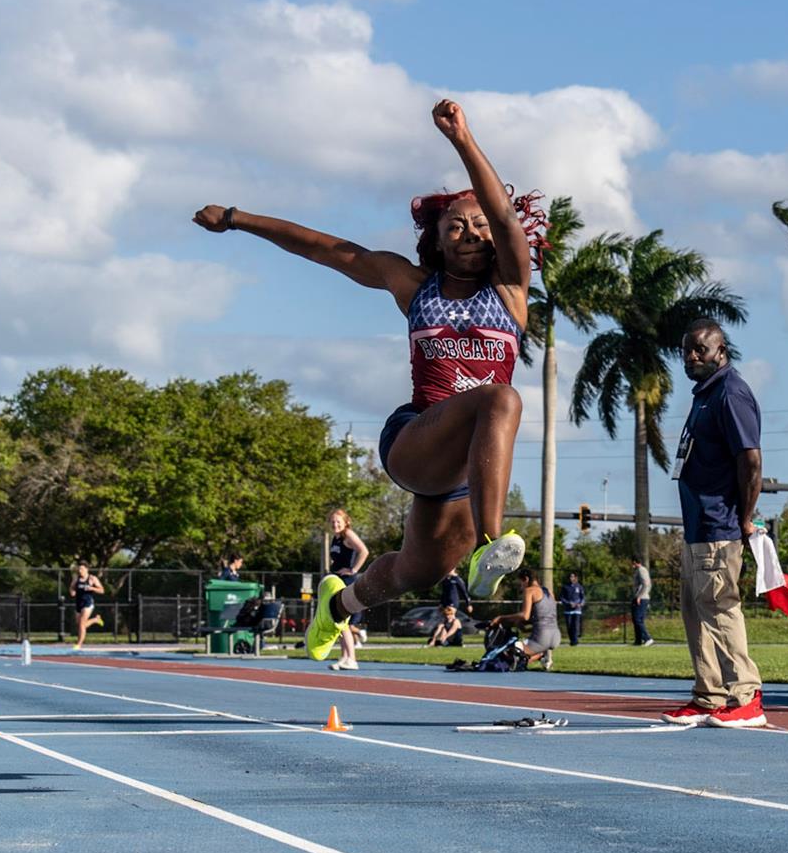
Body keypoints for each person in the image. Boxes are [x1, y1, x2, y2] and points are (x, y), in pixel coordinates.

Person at [202, 101, 540, 664]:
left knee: (414, 570)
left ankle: (339, 606)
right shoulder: (414, 286)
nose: (471, 231)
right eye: (455, 224)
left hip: (465, 472)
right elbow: (327, 249)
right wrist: (238, 217)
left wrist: (463, 140)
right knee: (501, 397)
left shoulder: (510, 291)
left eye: (479, 224)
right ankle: (489, 545)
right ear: (435, 238)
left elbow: (507, 218)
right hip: (416, 441)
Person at [661, 320, 766, 728]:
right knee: (695, 610)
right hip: (698, 525)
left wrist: (743, 518)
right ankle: (708, 695)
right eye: (686, 350)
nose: (691, 357)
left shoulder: (731, 393)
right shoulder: (705, 395)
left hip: (721, 524)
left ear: (721, 351)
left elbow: (751, 461)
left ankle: (745, 694)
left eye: (700, 350)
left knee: (720, 607)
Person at [326, 508, 370, 672]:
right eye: (333, 521)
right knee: (339, 622)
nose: (335, 524)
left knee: (342, 621)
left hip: (347, 582)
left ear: (346, 522)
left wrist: (354, 570)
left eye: (338, 521)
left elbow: (364, 551)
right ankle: (345, 657)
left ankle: (351, 659)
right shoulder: (336, 538)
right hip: (337, 581)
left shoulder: (348, 534)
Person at [491, 571, 561, 667]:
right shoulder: (548, 592)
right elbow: (545, 614)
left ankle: (540, 655)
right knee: (520, 660)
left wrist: (501, 618)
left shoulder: (530, 591)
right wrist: (522, 624)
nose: (521, 586)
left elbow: (525, 615)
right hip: (556, 635)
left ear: (526, 579)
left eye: (521, 583)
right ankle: (542, 655)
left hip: (542, 637)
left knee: (507, 652)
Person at [70, 562, 104, 649]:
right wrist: (72, 592)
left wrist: (92, 588)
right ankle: (96, 620)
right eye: (79, 569)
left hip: (88, 603)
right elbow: (71, 587)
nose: (80, 570)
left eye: (82, 569)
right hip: (78, 603)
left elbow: (102, 590)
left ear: (86, 569)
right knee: (81, 624)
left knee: (81, 624)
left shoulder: (92, 578)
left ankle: (79, 644)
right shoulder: (76, 579)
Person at [631, 556, 655, 647]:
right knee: (635, 619)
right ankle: (638, 640)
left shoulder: (642, 570)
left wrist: (640, 596)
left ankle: (648, 638)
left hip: (642, 598)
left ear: (635, 562)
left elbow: (646, 583)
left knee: (638, 619)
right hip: (637, 597)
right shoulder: (637, 571)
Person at [558, 570, 586, 646]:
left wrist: (580, 603)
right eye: (570, 577)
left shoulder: (579, 587)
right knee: (569, 626)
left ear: (575, 578)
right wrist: (568, 603)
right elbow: (561, 598)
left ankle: (575, 641)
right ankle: (572, 640)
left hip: (577, 611)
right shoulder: (565, 587)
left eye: (573, 576)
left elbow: (582, 597)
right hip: (568, 611)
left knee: (576, 626)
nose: (571, 578)